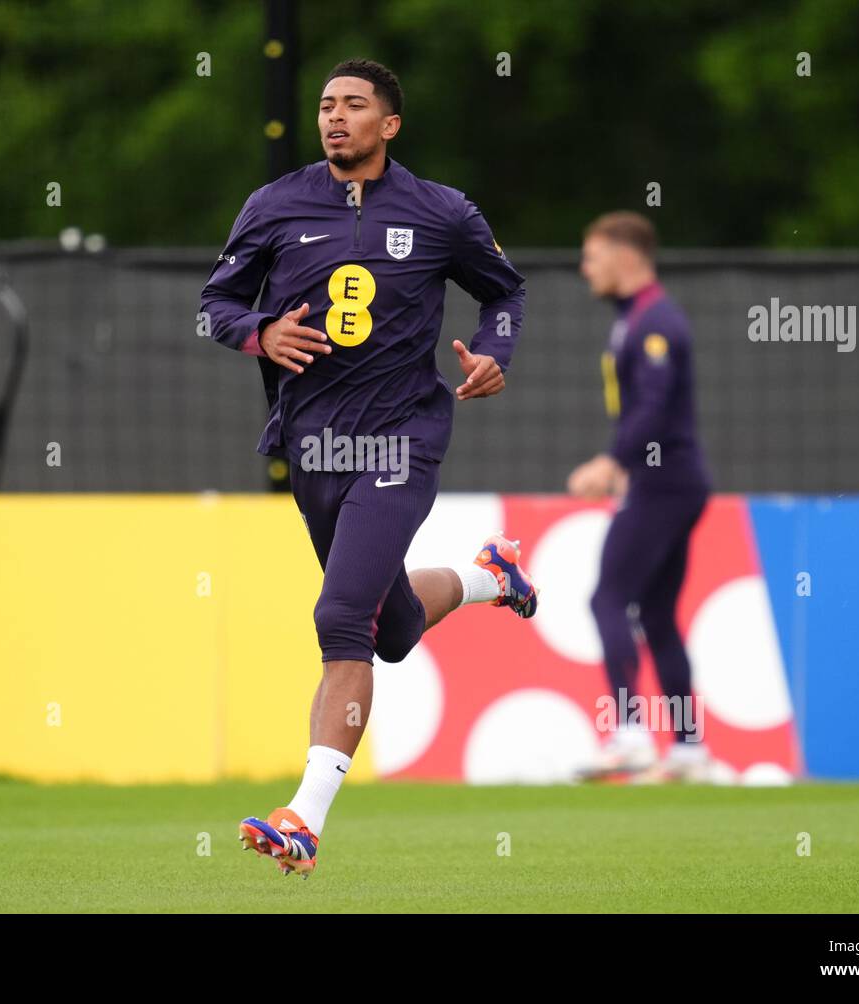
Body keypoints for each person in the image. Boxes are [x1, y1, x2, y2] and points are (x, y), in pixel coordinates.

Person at [200, 59, 536, 876]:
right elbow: (215, 304)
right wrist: (259, 333)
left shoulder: (441, 211)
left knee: (340, 618)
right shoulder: (274, 204)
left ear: (389, 125)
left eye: (354, 105)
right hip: (313, 446)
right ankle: (491, 577)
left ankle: (303, 820)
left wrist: (493, 355)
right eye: (325, 105)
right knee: (389, 631)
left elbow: (506, 294)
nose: (334, 116)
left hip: (400, 441)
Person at [568, 211, 712, 783]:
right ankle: (689, 750)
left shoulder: (655, 323)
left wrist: (613, 462)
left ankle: (629, 735)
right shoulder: (636, 318)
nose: (585, 269)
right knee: (655, 615)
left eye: (593, 256)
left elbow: (653, 406)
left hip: (662, 484)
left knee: (607, 600)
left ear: (626, 256)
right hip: (676, 482)